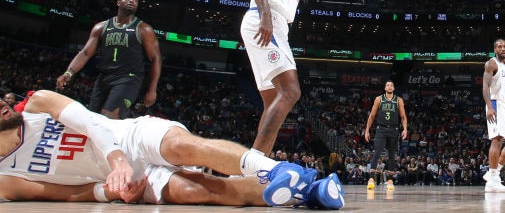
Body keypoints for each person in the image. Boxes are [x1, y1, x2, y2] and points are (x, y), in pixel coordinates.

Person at [0, 89, 342, 207]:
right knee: (198, 192)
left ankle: (277, 169)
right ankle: (309, 192)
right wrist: (112, 193)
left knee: (182, 146)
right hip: (123, 178)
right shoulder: (5, 179)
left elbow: (92, 123)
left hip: (130, 136)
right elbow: (65, 194)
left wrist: (117, 160)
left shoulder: (37, 103)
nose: (2, 102)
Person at [241, 0, 309, 155]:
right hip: (266, 17)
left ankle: (255, 167)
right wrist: (266, 15)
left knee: (272, 102)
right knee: (291, 91)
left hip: (274, 23)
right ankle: (253, 163)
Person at [56, 0, 161, 118]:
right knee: (93, 118)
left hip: (129, 78)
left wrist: (152, 89)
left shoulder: (144, 29)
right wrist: (68, 73)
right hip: (104, 77)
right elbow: (85, 53)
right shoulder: (101, 27)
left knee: (109, 115)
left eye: (135, 0)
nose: (131, 1)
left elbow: (155, 58)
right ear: (118, 2)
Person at [481, 38, 505, 193]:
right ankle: (492, 181)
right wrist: (490, 107)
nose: (502, 48)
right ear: (495, 50)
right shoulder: (491, 64)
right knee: (497, 140)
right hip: (495, 104)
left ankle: (493, 173)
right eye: (499, 46)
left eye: (504, 46)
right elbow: (485, 87)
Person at [363, 80, 408, 191]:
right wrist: (367, 130)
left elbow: (403, 117)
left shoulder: (399, 100)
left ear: (394, 88)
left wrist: (405, 129)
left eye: (391, 85)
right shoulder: (379, 99)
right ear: (385, 88)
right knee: (377, 152)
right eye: (388, 85)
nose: (389, 86)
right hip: (381, 129)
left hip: (394, 129)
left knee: (392, 155)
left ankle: (390, 180)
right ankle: (371, 179)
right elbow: (372, 116)